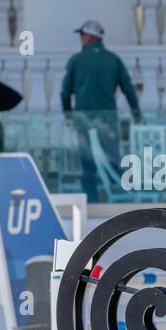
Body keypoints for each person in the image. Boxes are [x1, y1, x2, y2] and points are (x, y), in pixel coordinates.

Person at [60, 20, 141, 200]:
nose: (81, 39)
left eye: (82, 35)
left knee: (87, 165)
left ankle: (91, 202)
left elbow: (65, 92)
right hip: (108, 120)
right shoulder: (113, 59)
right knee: (113, 161)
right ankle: (125, 201)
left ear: (90, 36)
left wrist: (68, 115)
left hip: (83, 120)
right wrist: (136, 113)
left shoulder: (76, 60)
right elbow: (128, 89)